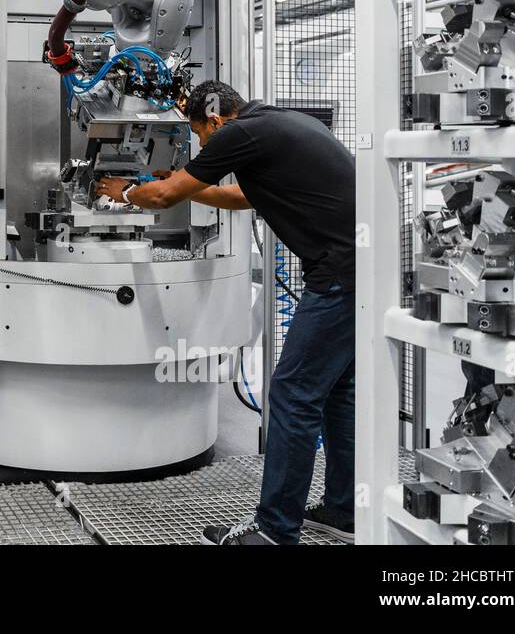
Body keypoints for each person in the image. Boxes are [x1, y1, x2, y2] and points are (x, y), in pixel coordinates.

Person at [94, 80, 355, 545]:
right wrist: (168, 184)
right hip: (364, 274)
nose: (199, 145)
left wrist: (129, 190)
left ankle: (273, 533)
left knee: (293, 393)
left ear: (215, 120)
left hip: (336, 277)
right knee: (336, 393)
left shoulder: (238, 135)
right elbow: (241, 199)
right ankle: (345, 509)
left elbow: (161, 200)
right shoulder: (276, 123)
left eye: (198, 136)